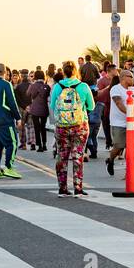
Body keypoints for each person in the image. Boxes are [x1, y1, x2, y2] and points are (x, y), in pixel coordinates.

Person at [50, 61, 94, 197]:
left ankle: (62, 188)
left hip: (62, 127)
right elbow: (91, 106)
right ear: (76, 71)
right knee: (78, 156)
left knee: (62, 156)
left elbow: (52, 105)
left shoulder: (57, 86)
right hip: (79, 126)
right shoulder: (83, 86)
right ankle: (78, 188)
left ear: (64, 72)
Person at [106, 68, 134, 177]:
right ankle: (110, 159)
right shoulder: (115, 89)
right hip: (118, 122)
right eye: (130, 77)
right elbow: (119, 103)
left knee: (131, 147)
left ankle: (129, 172)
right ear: (123, 78)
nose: (133, 79)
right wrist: (129, 112)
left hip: (131, 124)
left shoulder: (133, 90)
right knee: (119, 146)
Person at [27, 69, 50, 152]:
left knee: (37, 127)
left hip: (35, 109)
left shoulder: (32, 85)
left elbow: (28, 94)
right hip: (44, 109)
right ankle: (44, 144)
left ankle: (39, 145)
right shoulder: (47, 86)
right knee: (43, 127)